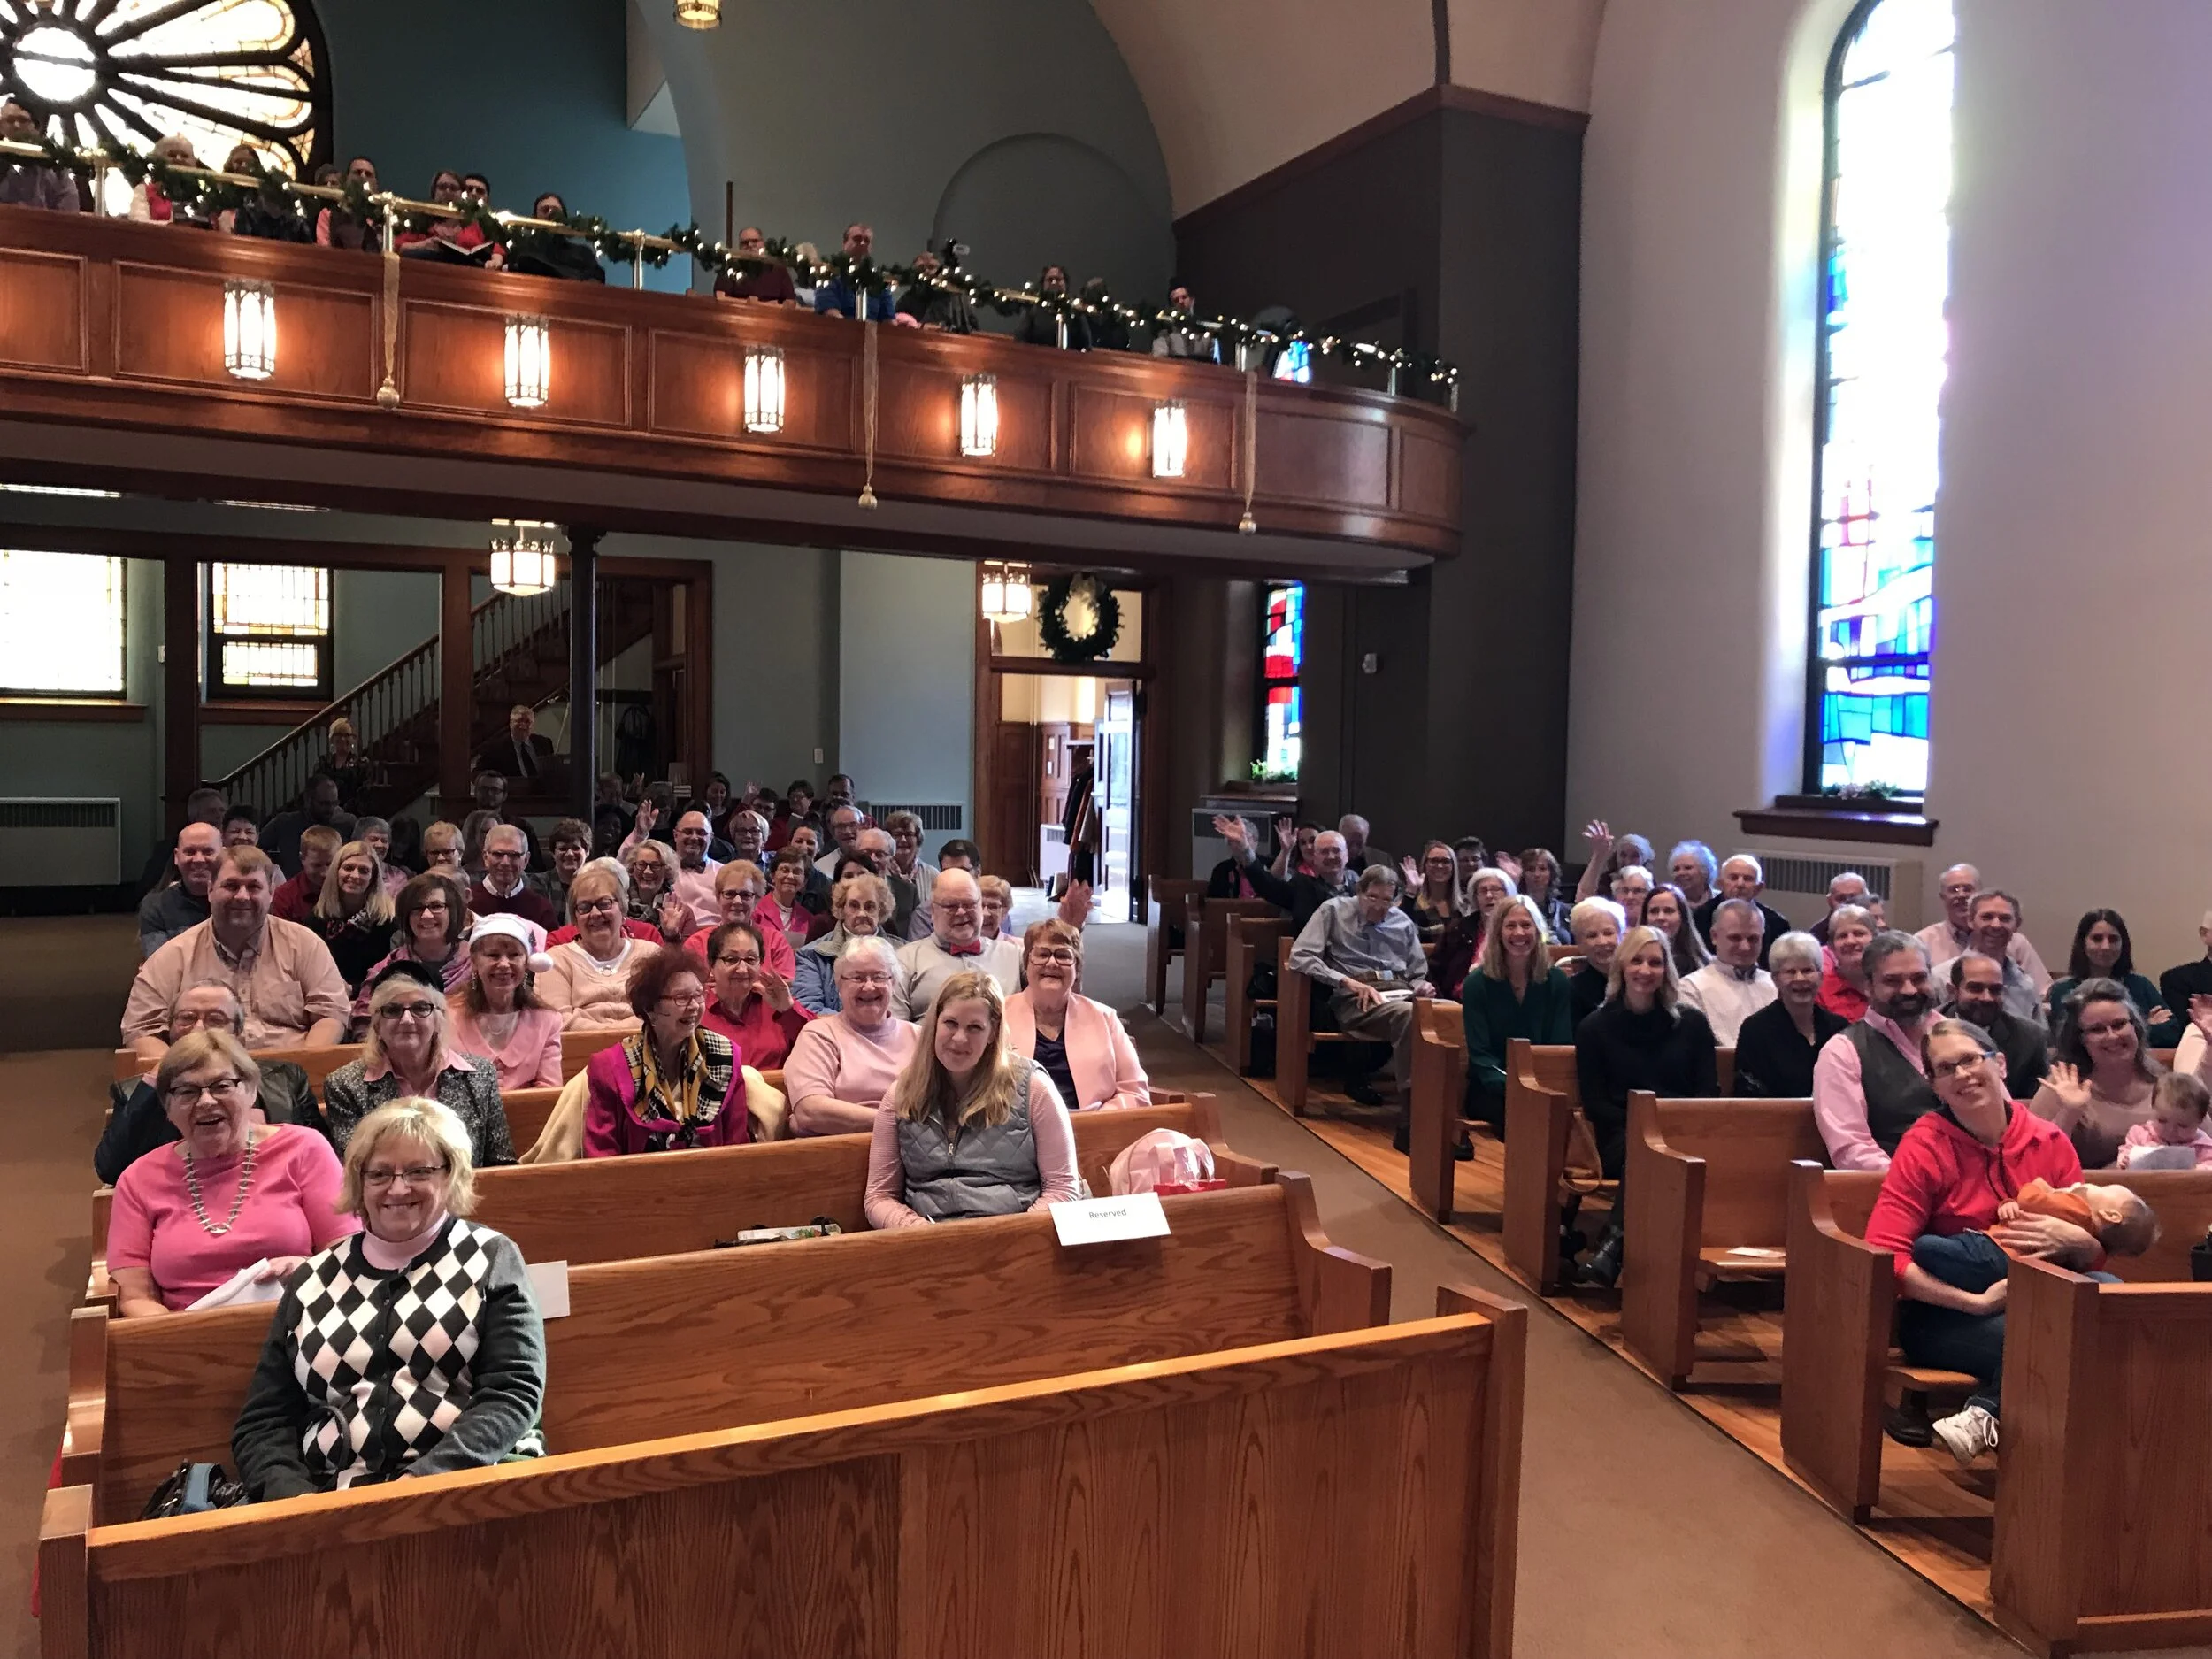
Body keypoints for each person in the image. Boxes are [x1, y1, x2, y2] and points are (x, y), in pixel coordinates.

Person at [231, 1097, 546, 1495]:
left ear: (451, 1175)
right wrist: (295, 1503)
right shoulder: (311, 1278)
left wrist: (422, 1484)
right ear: (358, 1184)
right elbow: (264, 1421)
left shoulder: (491, 1256)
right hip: (331, 1499)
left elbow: (513, 1392)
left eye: (419, 1171)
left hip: (468, 1482)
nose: (398, 1188)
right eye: (379, 1174)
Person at [1860, 1018, 2115, 1466]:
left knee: (2109, 1292)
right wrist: (1974, 1302)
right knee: (2049, 1343)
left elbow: (2091, 1247)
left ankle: (2052, 1452)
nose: (1962, 1075)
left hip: (2040, 1297)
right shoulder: (1923, 1146)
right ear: (1934, 1085)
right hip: (1947, 1314)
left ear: (1999, 1063)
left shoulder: (2049, 1140)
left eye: (1970, 1060)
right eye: (1946, 1069)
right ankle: (2036, 1467)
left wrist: (2078, 1238)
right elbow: (1886, 1254)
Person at [107, 1029, 355, 1317]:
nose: (206, 1101)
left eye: (222, 1086)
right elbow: (135, 1298)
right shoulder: (138, 1179)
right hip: (186, 1341)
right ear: (167, 1106)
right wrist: (185, 1339)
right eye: (186, 1091)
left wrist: (308, 1269)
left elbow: (344, 1254)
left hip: (300, 1324)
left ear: (251, 1091)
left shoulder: (304, 1148)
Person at [864, 970, 1080, 1227]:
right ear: (935, 1024)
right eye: (951, 1023)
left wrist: (1013, 1235)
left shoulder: (1034, 1088)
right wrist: (915, 1229)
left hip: (1014, 1237)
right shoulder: (901, 1094)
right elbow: (879, 1196)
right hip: (928, 1239)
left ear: (993, 1033)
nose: (959, 1039)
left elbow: (1063, 1189)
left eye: (975, 1027)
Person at [1571, 925, 1720, 1286]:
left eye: (1655, 962)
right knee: (1647, 1155)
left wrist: (1672, 1126)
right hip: (1620, 1135)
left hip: (1682, 1131)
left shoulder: (1692, 1025)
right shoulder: (1595, 1027)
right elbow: (1595, 1103)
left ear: (1666, 970)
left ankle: (1616, 1247)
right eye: (1636, 961)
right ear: (1622, 966)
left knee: (1663, 1156)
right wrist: (1645, 1127)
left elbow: (1706, 1092)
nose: (1645, 970)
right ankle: (1627, 1252)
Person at [123, 848, 350, 1059]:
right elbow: (141, 1029)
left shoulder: (306, 945)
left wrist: (303, 1071)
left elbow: (331, 1014)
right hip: (203, 1081)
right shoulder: (173, 956)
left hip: (289, 1080)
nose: (242, 896)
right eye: (231, 886)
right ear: (210, 889)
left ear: (271, 892)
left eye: (253, 887)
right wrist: (181, 1076)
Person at [96, 986, 317, 1185]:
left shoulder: (287, 1079)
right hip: (183, 1198)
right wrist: (161, 1075)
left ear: (238, 1035)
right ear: (171, 1032)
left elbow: (318, 1157)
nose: (199, 1029)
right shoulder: (138, 1092)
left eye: (216, 1019)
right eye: (187, 1018)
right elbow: (110, 1169)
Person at [582, 948, 758, 1155]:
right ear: (650, 1009)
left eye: (699, 995)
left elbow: (737, 1147)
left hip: (710, 1179)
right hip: (637, 1181)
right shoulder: (610, 1067)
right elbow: (601, 1154)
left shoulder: (725, 1056)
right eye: (681, 998)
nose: (694, 1006)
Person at [325, 972, 513, 1165]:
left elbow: (501, 1163)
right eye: (392, 1010)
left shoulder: (480, 1075)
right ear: (377, 1026)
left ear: (438, 1021)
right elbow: (356, 1169)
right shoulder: (345, 1085)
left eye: (421, 1008)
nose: (407, 1020)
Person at [1290, 866, 1433, 1118]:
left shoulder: (1403, 922)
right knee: (1410, 1016)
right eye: (1373, 898)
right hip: (1356, 995)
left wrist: (1420, 986)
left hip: (1399, 991)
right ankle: (1415, 1110)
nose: (1379, 906)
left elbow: (1417, 971)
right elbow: (1300, 956)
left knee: (1450, 1014)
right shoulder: (1333, 910)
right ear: (1359, 892)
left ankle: (1448, 1105)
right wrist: (1345, 981)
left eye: (1387, 900)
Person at [2032, 979, 2212, 1167]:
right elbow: (2036, 1161)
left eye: (2119, 1024)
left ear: (2136, 1027)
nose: (2112, 1036)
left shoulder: (2167, 1083)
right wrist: (2070, 1112)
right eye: (2097, 1029)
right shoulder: (2062, 1084)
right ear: (2080, 1040)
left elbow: (2208, 1140)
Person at [1812, 932, 1942, 1171]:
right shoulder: (1843, 1052)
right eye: (1893, 981)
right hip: (1899, 1192)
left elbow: (2001, 1115)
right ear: (1868, 986)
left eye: (1919, 978)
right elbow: (1852, 1149)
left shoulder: (1959, 1036)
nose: (1910, 990)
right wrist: (1912, 1181)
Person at [1003, 920, 1149, 1111]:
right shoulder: (998, 1015)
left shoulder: (1105, 1017)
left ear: (1077, 968)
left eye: (1063, 956)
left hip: (1094, 1127)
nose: (1052, 963)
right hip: (1017, 1133)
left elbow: (1134, 1090)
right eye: (1042, 954)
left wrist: (1099, 1120)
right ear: (1026, 963)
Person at [1460, 895, 1574, 1136]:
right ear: (1498, 932)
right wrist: (1517, 1086)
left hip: (1543, 1085)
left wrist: (1539, 1084)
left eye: (1526, 925)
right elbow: (1481, 1056)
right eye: (1510, 926)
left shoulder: (1557, 981)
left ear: (1537, 930)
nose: (1519, 933)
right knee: (1526, 1117)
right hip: (1493, 1088)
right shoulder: (1477, 984)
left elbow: (1559, 1044)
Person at [784, 937, 921, 1134]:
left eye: (879, 977)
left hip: (913, 1155)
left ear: (894, 982)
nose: (869, 986)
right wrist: (900, 1122)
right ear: (840, 985)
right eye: (857, 978)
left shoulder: (918, 1037)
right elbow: (810, 1110)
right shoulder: (819, 1035)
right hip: (840, 1156)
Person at [445, 914, 562, 1090]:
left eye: (514, 955)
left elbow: (549, 1092)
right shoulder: (447, 1017)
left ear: (527, 962)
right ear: (475, 961)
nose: (504, 964)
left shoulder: (548, 1021)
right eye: (493, 955)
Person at [541, 862, 659, 1029]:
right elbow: (557, 1021)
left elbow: (663, 1014)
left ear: (622, 907)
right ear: (574, 917)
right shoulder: (556, 960)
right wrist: (623, 1033)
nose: (595, 914)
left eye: (604, 904)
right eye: (584, 907)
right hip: (580, 1053)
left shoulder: (650, 955)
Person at [349, 872, 473, 1029]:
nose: (426, 915)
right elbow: (365, 1025)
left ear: (453, 912)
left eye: (436, 906)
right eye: (417, 908)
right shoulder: (386, 970)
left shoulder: (477, 965)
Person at [1733, 933, 1847, 1099]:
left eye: (1807, 970)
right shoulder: (1755, 1030)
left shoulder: (1839, 1027)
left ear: (1821, 976)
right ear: (1775, 979)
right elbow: (1749, 1097)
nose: (1800, 979)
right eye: (1790, 972)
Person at [896, 868, 1022, 1016]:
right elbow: (893, 1029)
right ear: (933, 911)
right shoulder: (905, 961)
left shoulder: (1016, 956)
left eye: (969, 904)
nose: (961, 912)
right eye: (951, 906)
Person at [2046, 909, 2174, 1041]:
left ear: (2123, 944)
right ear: (2083, 944)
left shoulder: (2141, 985)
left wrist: (2096, 1032)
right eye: (2097, 939)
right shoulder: (2064, 990)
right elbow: (2069, 1041)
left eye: (2113, 939)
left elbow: (2172, 1032)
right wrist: (2145, 1026)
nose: (2106, 946)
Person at [700, 918, 812, 1070]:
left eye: (751, 959)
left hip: (776, 1091)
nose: (742, 969)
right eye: (731, 959)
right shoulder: (698, 1011)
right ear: (711, 964)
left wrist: (787, 1009)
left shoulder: (775, 1002)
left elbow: (815, 1046)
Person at [1916, 863, 2052, 988]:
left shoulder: (2016, 944)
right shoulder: (1923, 942)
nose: (1962, 895)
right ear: (1943, 896)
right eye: (1954, 889)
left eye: (1968, 889)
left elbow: (2042, 991)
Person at [1220, 816, 1356, 933]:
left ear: (1347, 856)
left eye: (1336, 851)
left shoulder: (1360, 886)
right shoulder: (1302, 887)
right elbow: (1266, 884)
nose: (1331, 857)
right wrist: (1245, 849)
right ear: (1315, 857)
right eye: (1325, 852)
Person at [1950, 952, 2052, 1102]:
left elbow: (2038, 1101)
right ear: (1953, 991)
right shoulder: (1930, 1029)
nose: (1987, 998)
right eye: (1976, 988)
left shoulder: (2029, 1037)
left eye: (1995, 990)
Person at [1676, 898, 1776, 1044]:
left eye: (1753, 939)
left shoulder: (1776, 986)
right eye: (1735, 938)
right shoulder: (1690, 988)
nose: (1745, 947)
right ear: (1714, 936)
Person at [793, 872, 892, 1015]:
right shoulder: (812, 955)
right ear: (842, 909)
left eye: (870, 907)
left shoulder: (902, 953)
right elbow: (808, 1008)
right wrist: (857, 1025)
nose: (862, 914)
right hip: (832, 1035)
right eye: (854, 906)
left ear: (881, 911)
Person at [304, 839, 396, 991]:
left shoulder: (387, 922)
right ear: (336, 872)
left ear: (373, 878)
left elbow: (394, 974)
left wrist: (354, 989)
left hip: (374, 998)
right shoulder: (316, 919)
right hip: (326, 996)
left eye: (364, 871)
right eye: (348, 868)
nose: (355, 875)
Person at [139, 821, 222, 957]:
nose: (199, 859)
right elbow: (161, 965)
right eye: (190, 852)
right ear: (177, 857)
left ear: (223, 855)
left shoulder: (240, 900)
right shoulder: (156, 905)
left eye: (208, 851)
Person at [1690, 856, 1791, 966]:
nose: (1740, 884)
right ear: (1721, 884)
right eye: (1733, 878)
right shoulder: (1698, 918)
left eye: (1748, 879)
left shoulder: (1778, 924)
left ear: (1759, 888)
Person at [258, 774, 355, 878]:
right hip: (292, 886)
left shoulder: (346, 824)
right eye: (324, 804)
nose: (330, 809)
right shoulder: (285, 823)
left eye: (334, 803)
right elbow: (258, 848)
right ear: (308, 800)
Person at [398, 168, 500, 265]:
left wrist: (496, 259)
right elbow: (398, 246)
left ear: (462, 194)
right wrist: (422, 245)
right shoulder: (421, 220)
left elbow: (499, 243)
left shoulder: (474, 223)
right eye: (442, 187)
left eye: (453, 188)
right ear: (434, 192)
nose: (447, 191)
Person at [471, 824, 557, 929]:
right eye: (498, 854)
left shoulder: (542, 909)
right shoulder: (467, 904)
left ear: (526, 860)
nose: (505, 862)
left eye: (514, 855)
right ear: (485, 857)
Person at [505, 192, 604, 281]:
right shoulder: (523, 249)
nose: (550, 213)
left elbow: (597, 278)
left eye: (555, 210)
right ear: (534, 219)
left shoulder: (583, 253)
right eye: (545, 210)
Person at [0, 101, 80, 211]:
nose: (16, 125)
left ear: (37, 127)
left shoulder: (55, 168)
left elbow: (69, 210)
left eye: (23, 120)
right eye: (10, 120)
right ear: (1, 127)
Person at [1563, 897, 1626, 1027]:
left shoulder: (1639, 978)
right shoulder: (1572, 990)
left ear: (1622, 936)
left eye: (1608, 933)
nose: (1602, 942)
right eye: (1592, 936)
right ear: (1580, 944)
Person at [813, 222, 896, 319]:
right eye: (857, 239)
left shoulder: (878, 282)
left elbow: (889, 321)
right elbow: (831, 315)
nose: (862, 243)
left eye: (867, 241)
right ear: (844, 243)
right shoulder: (829, 277)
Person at [894, 247, 979, 333]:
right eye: (921, 268)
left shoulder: (956, 297)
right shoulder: (907, 299)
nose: (926, 271)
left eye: (931, 267)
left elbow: (972, 328)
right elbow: (895, 323)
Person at [128, 134, 207, 225]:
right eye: (172, 155)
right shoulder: (144, 190)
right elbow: (138, 222)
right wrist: (170, 226)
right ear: (158, 159)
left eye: (185, 156)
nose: (179, 159)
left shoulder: (202, 195)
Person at [1817, 903, 1878, 1022]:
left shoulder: (1891, 982)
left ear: (1875, 939)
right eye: (1842, 936)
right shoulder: (1819, 989)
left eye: (1859, 933)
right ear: (1831, 946)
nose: (1850, 941)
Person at [1400, 841, 1469, 944]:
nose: (1440, 866)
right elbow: (1398, 932)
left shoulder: (1465, 905)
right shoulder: (1412, 902)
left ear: (1453, 866)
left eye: (1446, 861)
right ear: (1425, 865)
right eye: (1434, 861)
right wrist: (1411, 891)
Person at [1573, 822, 1655, 904]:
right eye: (1624, 890)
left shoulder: (1652, 886)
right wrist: (1599, 854)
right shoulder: (1605, 882)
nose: (1628, 861)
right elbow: (1584, 902)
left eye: (1637, 891)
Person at [314, 154, 382, 250]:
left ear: (375, 183)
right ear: (347, 179)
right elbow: (325, 250)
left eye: (368, 174)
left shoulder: (384, 216)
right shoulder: (328, 214)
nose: (363, 176)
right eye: (357, 172)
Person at [1644, 882, 1711, 979]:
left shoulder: (1704, 965)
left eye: (1668, 911)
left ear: (1683, 917)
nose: (1660, 917)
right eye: (1654, 911)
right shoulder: (1631, 962)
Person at [1013, 264, 1090, 349]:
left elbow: (1086, 345)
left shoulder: (1075, 311)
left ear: (1065, 283)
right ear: (1043, 284)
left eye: (1058, 279)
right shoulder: (1032, 310)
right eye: (1050, 280)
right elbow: (1020, 339)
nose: (1054, 282)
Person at [716, 225, 798, 303]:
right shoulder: (730, 266)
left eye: (754, 241)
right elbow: (720, 296)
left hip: (774, 315)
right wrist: (749, 303)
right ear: (740, 246)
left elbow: (790, 301)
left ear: (763, 243)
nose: (750, 245)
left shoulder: (778, 267)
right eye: (745, 243)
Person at [476, 703, 556, 783]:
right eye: (519, 721)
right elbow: (478, 773)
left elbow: (552, 772)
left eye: (527, 722)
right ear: (511, 724)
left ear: (532, 725)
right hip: (512, 793)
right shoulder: (495, 748)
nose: (523, 725)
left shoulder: (545, 743)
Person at [536, 817, 592, 917]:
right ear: (553, 853)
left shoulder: (596, 884)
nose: (570, 854)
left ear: (587, 852)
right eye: (563, 849)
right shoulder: (539, 883)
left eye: (576, 848)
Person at [1150, 283, 1219, 361]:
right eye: (1176, 300)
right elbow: (1159, 359)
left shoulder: (1205, 332)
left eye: (1184, 297)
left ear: (1192, 300)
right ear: (1173, 306)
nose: (1181, 301)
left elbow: (1212, 361)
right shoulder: (1165, 333)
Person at [1517, 847, 1573, 938]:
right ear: (1522, 874)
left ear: (1551, 873)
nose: (1537, 874)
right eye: (1531, 869)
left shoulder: (1564, 911)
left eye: (1542, 869)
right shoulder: (1515, 908)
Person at [1808, 871, 1872, 945]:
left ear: (1867, 898)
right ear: (1829, 901)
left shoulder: (1878, 925)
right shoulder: (1817, 933)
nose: (1847, 904)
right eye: (1841, 898)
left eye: (1854, 898)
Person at [765, 780, 818, 851]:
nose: (795, 799)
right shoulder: (778, 823)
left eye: (799, 796)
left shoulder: (816, 820)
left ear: (810, 800)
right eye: (792, 796)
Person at [1667, 841, 1719, 911]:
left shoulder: (1721, 900)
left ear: (1705, 871)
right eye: (1676, 869)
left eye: (1687, 868)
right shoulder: (1668, 902)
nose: (1680, 873)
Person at [420, 818, 467, 882]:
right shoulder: (417, 888)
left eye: (447, 852)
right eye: (434, 853)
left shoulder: (473, 885)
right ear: (426, 855)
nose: (440, 858)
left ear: (460, 853)